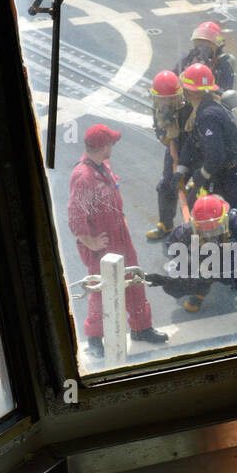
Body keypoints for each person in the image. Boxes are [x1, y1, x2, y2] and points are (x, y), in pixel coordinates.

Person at [67, 123, 169, 358]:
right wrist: (90, 241)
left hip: (119, 237)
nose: (113, 145)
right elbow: (75, 217)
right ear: (103, 147)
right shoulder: (84, 177)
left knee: (134, 279)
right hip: (103, 243)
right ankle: (94, 338)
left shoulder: (102, 167)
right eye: (111, 142)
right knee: (102, 289)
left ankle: (141, 328)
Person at [150, 194, 237, 333]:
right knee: (180, 276)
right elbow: (172, 246)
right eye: (205, 229)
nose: (210, 233)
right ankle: (199, 291)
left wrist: (235, 265)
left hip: (230, 265)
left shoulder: (236, 223)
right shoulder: (185, 230)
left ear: (224, 218)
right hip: (204, 266)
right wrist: (190, 264)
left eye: (214, 229)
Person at [177, 62, 237, 223]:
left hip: (235, 176)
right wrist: (181, 170)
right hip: (227, 174)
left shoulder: (208, 116)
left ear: (190, 92)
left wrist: (201, 176)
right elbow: (193, 141)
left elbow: (215, 156)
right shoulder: (206, 107)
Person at [146, 69, 192, 241]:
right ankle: (166, 223)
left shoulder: (188, 108)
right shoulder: (157, 107)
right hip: (173, 149)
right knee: (166, 185)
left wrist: (182, 167)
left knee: (194, 190)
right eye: (162, 100)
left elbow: (192, 137)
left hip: (192, 153)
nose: (166, 103)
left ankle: (199, 230)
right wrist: (164, 137)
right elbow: (158, 129)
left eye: (170, 99)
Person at [175, 20, 235, 91]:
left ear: (217, 45)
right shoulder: (188, 58)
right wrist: (188, 70)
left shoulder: (223, 64)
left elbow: (225, 91)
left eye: (208, 42)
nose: (203, 45)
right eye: (200, 41)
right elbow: (173, 78)